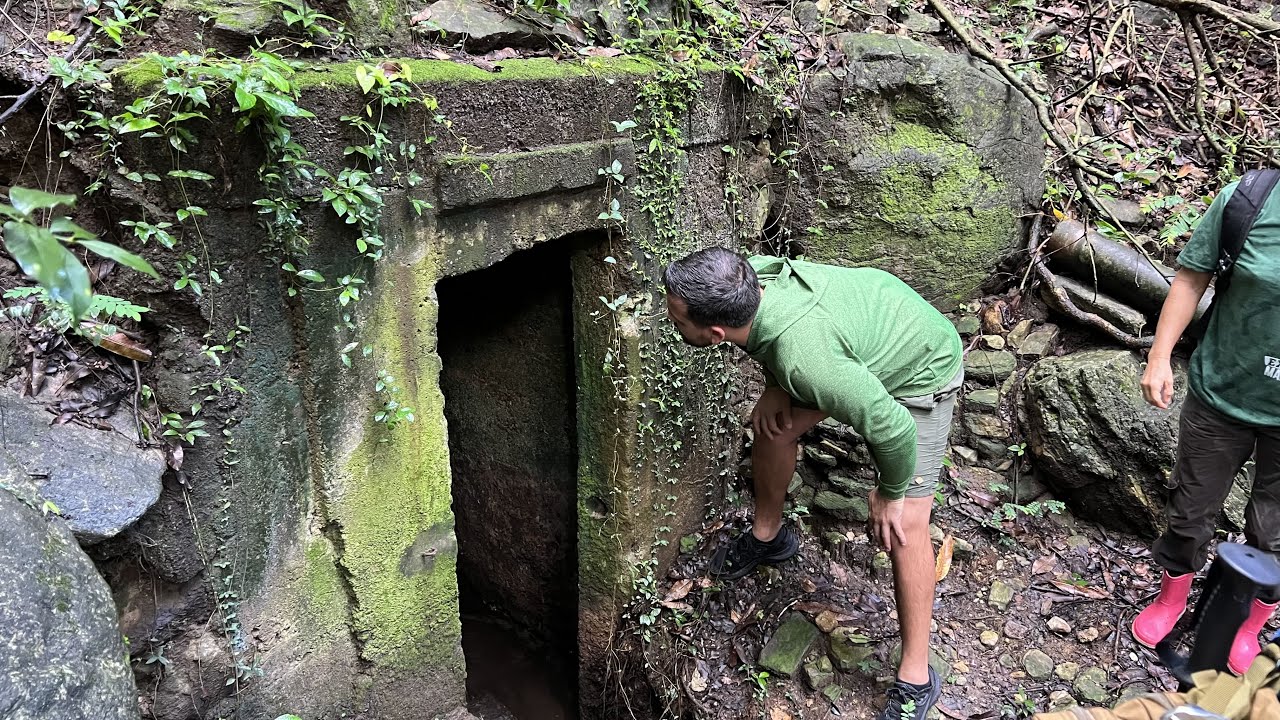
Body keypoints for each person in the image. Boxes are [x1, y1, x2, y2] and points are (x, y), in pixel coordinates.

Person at [662, 248, 964, 720]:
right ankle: (768, 536)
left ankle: (916, 677)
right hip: (854, 335)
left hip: (921, 364)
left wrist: (890, 493)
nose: (670, 320)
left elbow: (894, 429)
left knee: (906, 522)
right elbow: (784, 343)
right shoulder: (750, 277)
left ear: (716, 333)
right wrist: (774, 386)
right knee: (774, 428)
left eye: (678, 319)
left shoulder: (807, 362)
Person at [1133, 175, 1280, 674]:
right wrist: (1159, 356)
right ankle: (1172, 596)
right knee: (1191, 506)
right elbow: (1192, 279)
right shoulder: (1249, 201)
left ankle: (1249, 622)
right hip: (1222, 392)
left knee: (1275, 532)